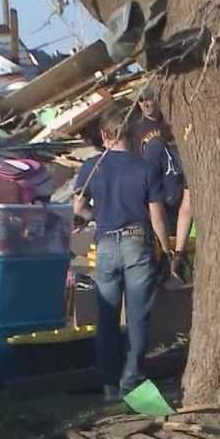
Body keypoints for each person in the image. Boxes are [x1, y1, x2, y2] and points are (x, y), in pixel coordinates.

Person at [75, 105, 175, 401]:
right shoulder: (144, 168)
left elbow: (78, 208)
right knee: (137, 317)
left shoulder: (91, 166)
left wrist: (99, 214)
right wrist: (167, 252)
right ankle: (131, 382)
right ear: (131, 135)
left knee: (106, 317)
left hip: (105, 242)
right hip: (137, 242)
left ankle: (108, 385)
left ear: (104, 135)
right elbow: (157, 217)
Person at [134, 85, 194, 284]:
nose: (146, 103)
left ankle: (177, 261)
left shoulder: (171, 124)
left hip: (176, 187)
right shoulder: (136, 129)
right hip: (154, 193)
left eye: (149, 98)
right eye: (141, 100)